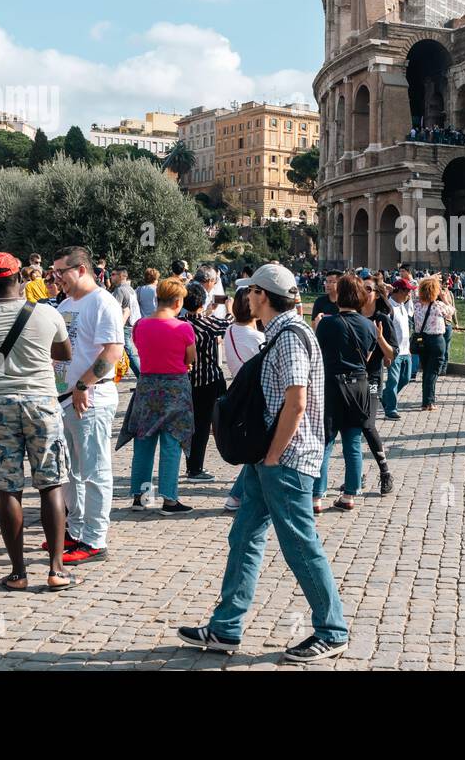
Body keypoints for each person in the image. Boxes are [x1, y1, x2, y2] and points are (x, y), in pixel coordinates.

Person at [178, 263, 348, 662]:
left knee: (300, 545)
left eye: (250, 291)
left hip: (284, 459)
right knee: (244, 536)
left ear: (263, 296)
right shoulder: (282, 332)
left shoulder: (288, 337)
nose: (245, 298)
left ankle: (332, 628)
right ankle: (225, 627)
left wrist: (272, 455)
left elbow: (297, 401)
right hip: (268, 458)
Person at [0, 253, 75, 591]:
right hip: (42, 403)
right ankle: (56, 570)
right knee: (51, 484)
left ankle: (18, 573)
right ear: (20, 280)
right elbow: (65, 354)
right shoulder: (47, 313)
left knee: (9, 489)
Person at [50, 246, 125, 565]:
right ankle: (75, 529)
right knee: (71, 471)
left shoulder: (102, 302)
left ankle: (95, 538)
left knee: (94, 469)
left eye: (60, 272)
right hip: (64, 398)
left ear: (80, 269)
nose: (55, 279)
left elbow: (113, 351)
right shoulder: (66, 303)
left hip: (90, 397)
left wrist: (84, 384)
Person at [127, 278, 196, 515]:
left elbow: (140, 349)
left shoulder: (140, 325)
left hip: (147, 386)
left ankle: (141, 497)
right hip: (175, 387)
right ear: (178, 302)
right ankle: (169, 499)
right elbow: (190, 359)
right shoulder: (184, 328)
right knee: (171, 443)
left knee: (144, 441)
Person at [314, 274, 377, 513]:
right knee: (352, 442)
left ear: (339, 296)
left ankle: (316, 496)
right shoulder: (368, 325)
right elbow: (368, 357)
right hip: (359, 386)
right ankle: (350, 494)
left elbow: (319, 353)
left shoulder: (328, 323)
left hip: (332, 384)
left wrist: (318, 325)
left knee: (326, 442)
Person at [222, 286, 265, 512]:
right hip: (255, 395)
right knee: (259, 450)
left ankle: (238, 495)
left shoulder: (229, 330)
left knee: (257, 450)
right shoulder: (258, 337)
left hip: (238, 390)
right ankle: (237, 495)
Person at [185, 282, 232, 481]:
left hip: (187, 379)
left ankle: (191, 465)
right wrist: (228, 308)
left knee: (190, 425)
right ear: (202, 302)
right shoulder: (208, 324)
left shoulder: (181, 322)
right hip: (208, 379)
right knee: (203, 425)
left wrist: (208, 311)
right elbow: (227, 324)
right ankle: (195, 468)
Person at [358, 278, 396, 494]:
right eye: (361, 288)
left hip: (371, 380)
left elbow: (391, 354)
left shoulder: (382, 318)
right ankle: (356, 475)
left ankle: (385, 471)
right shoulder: (352, 316)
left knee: (367, 423)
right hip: (350, 381)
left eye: (369, 289)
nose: (364, 291)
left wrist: (380, 337)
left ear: (377, 294)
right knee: (350, 430)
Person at [412, 276, 450, 411]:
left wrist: (428, 279)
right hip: (436, 340)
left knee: (426, 370)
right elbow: (451, 312)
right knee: (433, 372)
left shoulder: (416, 305)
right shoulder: (438, 306)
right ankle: (429, 402)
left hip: (422, 341)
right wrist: (444, 297)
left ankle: (425, 401)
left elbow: (416, 291)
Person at [381, 278, 415, 419]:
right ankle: (391, 409)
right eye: (407, 291)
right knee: (393, 380)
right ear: (399, 291)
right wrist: (386, 354)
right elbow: (384, 331)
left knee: (405, 379)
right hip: (394, 351)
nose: (409, 294)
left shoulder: (403, 305)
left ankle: (385, 396)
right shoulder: (389, 307)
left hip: (406, 350)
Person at [110, 267, 142, 378]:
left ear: (121, 276)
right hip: (131, 324)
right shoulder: (130, 289)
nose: (111, 276)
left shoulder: (119, 290)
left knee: (129, 353)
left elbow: (114, 309)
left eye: (114, 274)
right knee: (128, 352)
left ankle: (141, 376)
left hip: (124, 325)